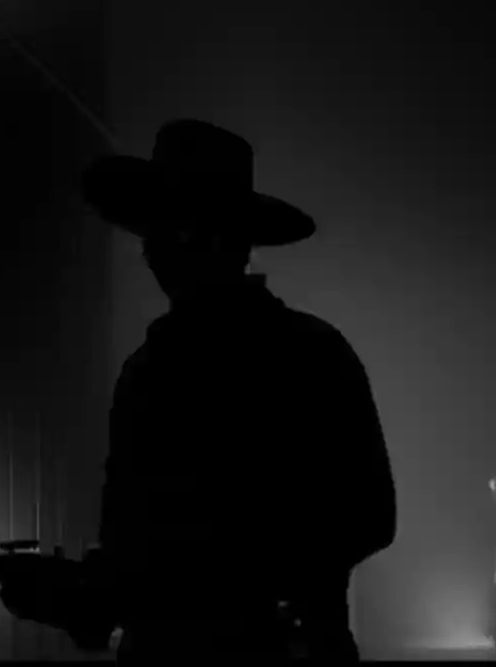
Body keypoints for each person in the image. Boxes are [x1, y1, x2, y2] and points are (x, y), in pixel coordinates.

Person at [80, 119, 397, 662]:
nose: (152, 252)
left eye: (171, 231)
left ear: (217, 241)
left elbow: (368, 516)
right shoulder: (308, 352)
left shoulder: (153, 371)